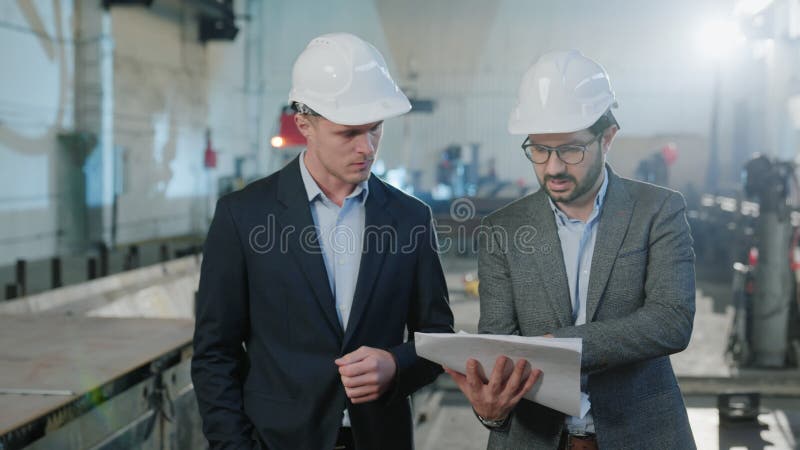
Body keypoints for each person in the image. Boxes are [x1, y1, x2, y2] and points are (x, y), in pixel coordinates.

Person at [191, 32, 454, 450]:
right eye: (349, 133)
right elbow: (214, 353)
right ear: (304, 125)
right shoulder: (243, 215)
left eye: (375, 130)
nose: (366, 148)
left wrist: (396, 363)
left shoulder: (410, 218)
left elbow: (438, 335)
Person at [446, 50, 696, 449]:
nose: (553, 168)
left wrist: (561, 345)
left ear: (608, 137)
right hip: (535, 438)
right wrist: (489, 409)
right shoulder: (502, 230)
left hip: (642, 436)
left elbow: (671, 320)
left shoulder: (658, 210)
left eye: (570, 150)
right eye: (539, 151)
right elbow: (499, 340)